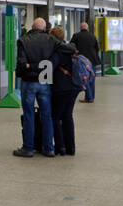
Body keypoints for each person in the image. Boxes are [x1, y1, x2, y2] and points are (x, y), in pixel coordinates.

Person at [13, 18, 57, 157]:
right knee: (47, 115)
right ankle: (48, 148)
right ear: (44, 28)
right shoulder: (51, 40)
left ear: (32, 27)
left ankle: (28, 148)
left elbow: (21, 62)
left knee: (29, 114)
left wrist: (22, 72)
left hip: (29, 80)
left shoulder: (23, 40)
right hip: (45, 79)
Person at [49, 27, 79, 155]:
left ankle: (60, 146)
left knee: (55, 117)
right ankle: (71, 148)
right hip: (72, 87)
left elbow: (51, 67)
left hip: (60, 88)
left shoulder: (57, 51)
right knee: (67, 116)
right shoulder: (71, 49)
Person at [70, 21, 100, 103]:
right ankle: (91, 97)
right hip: (92, 60)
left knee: (84, 78)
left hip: (82, 61)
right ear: (88, 28)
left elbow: (71, 47)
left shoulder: (76, 36)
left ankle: (89, 98)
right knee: (92, 79)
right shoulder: (93, 36)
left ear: (80, 28)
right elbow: (97, 48)